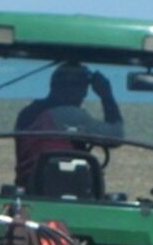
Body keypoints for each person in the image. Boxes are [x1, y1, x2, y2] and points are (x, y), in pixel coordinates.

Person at [14, 61, 123, 189]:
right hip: (60, 188)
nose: (84, 94)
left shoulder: (28, 113)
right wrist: (106, 95)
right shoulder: (70, 114)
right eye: (82, 88)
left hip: (29, 189)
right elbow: (116, 136)